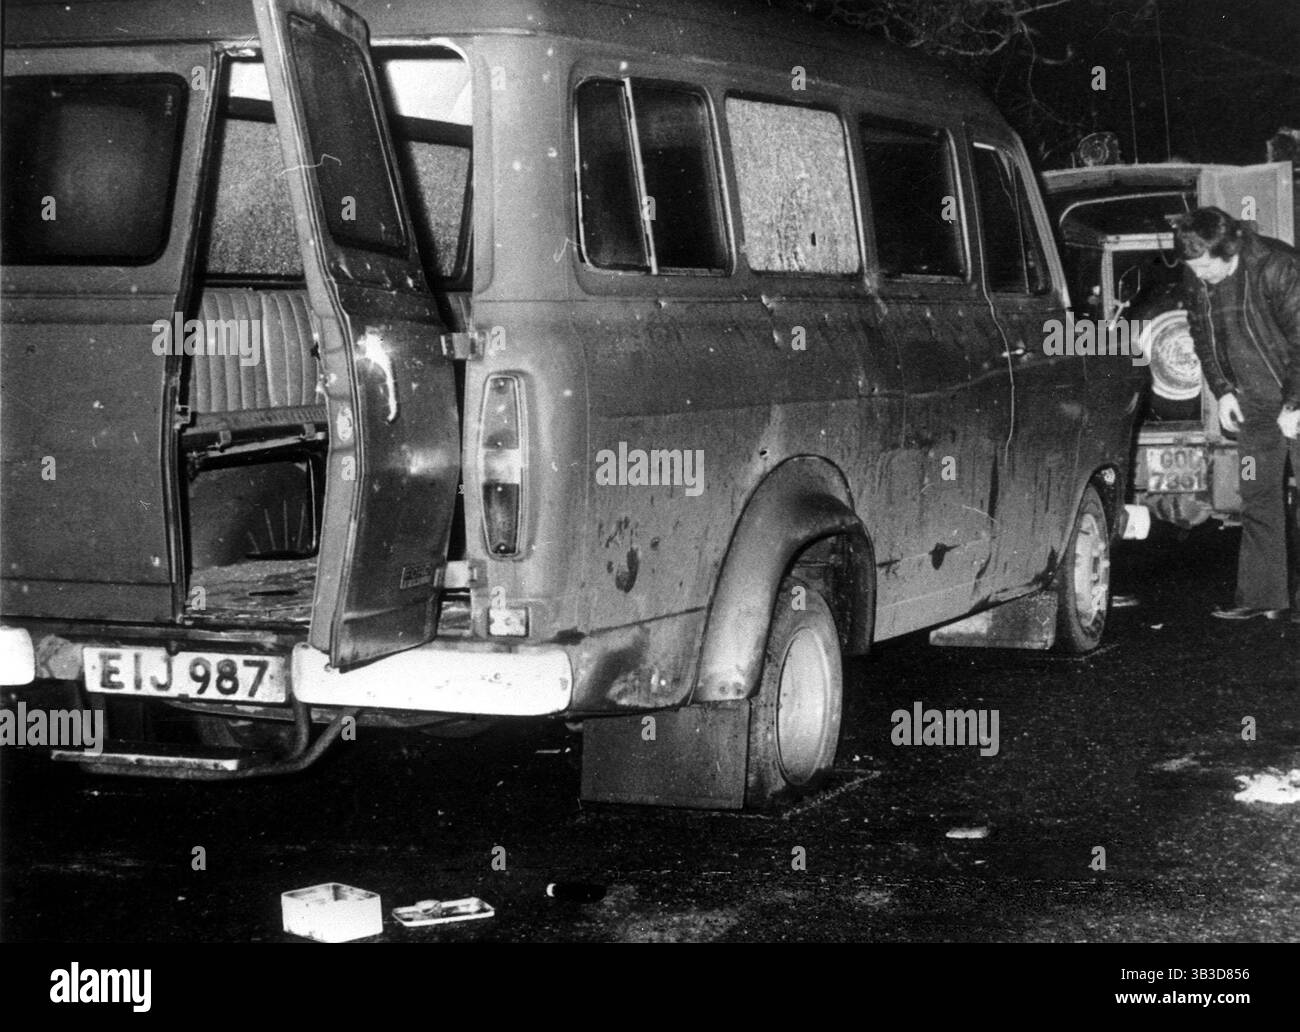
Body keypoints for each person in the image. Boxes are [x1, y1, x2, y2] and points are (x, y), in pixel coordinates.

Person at [1173, 206, 1300, 622]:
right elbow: (1200, 335)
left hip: (1295, 397)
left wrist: (1294, 404)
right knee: (1255, 491)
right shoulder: (1199, 273)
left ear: (1233, 249)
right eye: (1194, 268)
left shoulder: (1278, 267)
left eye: (1207, 267)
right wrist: (1223, 391)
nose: (1201, 276)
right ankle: (1263, 596)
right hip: (1253, 407)